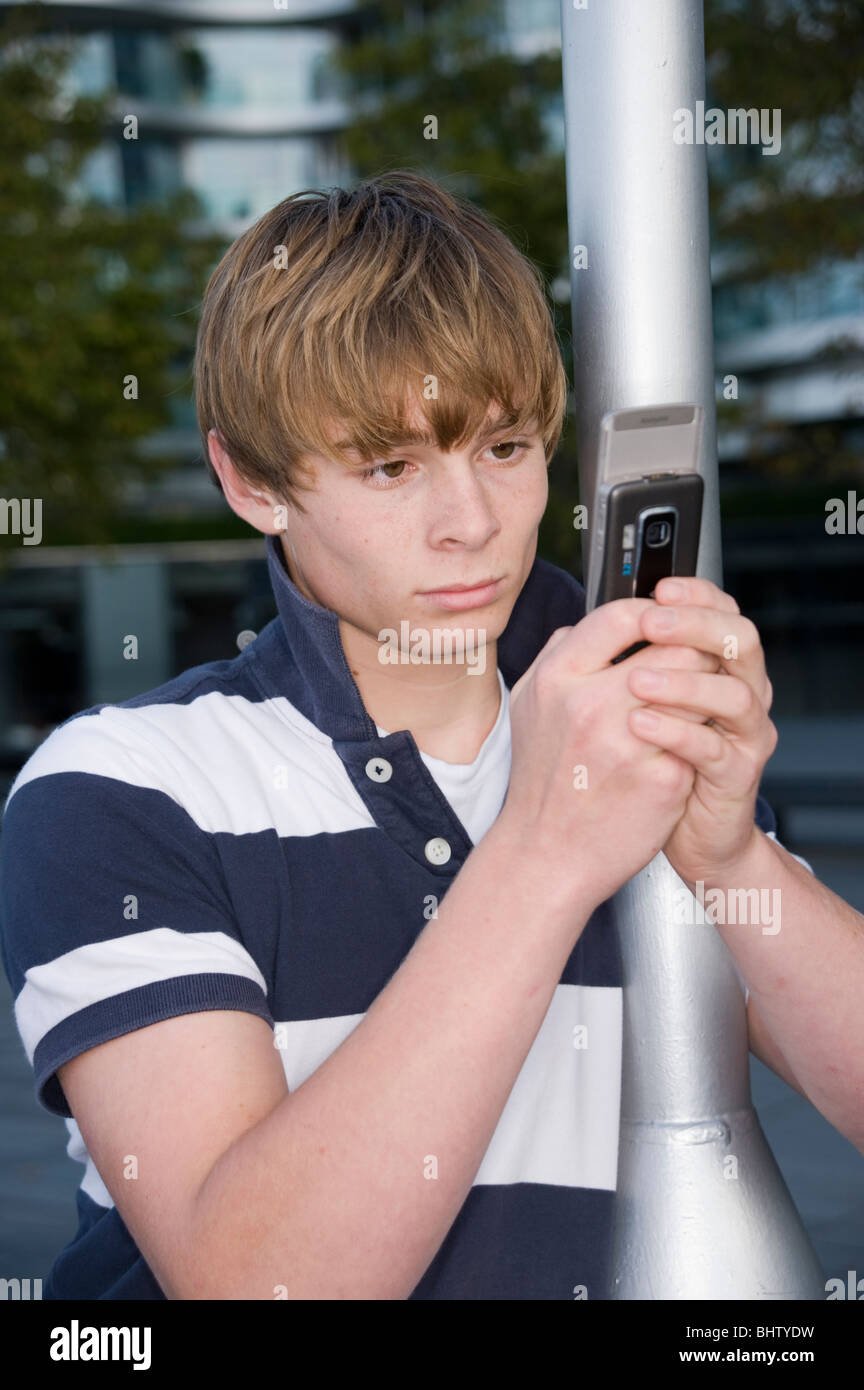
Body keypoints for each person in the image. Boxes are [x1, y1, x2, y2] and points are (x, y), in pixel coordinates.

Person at [1, 171, 862, 1301]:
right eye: (390, 466)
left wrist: (729, 857)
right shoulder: (122, 788)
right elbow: (260, 1283)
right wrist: (549, 851)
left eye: (503, 448)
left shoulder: (627, 722)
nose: (472, 523)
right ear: (250, 480)